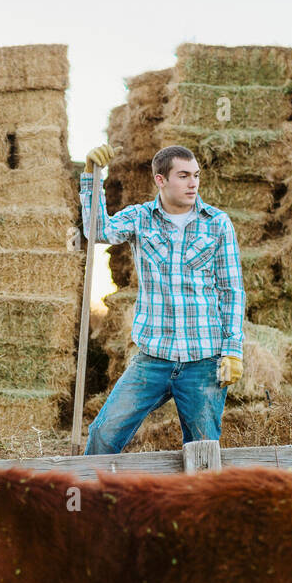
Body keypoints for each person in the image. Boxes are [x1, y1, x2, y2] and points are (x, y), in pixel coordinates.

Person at [81, 143, 245, 454]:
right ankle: (89, 500)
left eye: (195, 175)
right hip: (152, 358)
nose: (193, 183)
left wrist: (233, 350)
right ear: (161, 180)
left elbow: (231, 290)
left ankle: (199, 503)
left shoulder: (218, 222)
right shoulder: (140, 218)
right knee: (103, 434)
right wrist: (92, 176)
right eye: (183, 176)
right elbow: (98, 231)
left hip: (203, 361)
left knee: (203, 451)